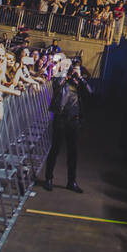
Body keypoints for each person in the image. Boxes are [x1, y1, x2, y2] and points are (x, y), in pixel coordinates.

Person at [43, 55, 90, 193]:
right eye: (73, 67)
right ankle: (48, 179)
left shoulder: (79, 83)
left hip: (74, 120)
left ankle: (71, 181)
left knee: (73, 152)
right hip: (61, 118)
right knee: (55, 149)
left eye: (77, 67)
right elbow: (56, 85)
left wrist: (80, 78)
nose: (75, 69)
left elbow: (90, 92)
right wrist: (67, 75)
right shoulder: (62, 78)